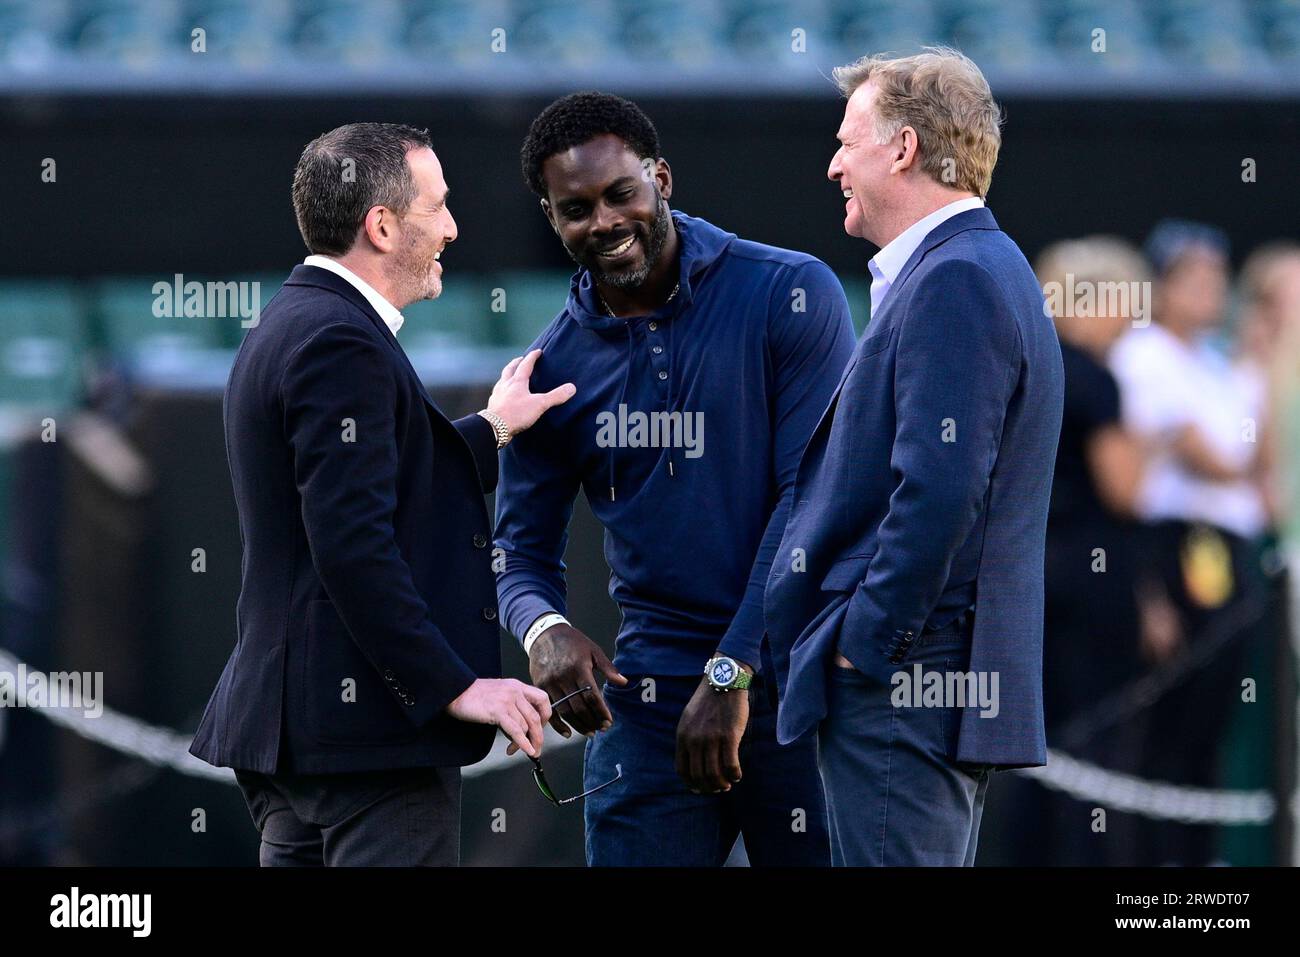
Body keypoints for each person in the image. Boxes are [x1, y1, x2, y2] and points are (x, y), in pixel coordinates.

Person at [189, 123, 570, 866]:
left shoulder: (291, 319)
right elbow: (352, 543)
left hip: (306, 742)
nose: (454, 229)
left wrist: (492, 427)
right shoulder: (342, 341)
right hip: (369, 745)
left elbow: (375, 480)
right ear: (383, 225)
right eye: (440, 206)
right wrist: (454, 685)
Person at [494, 92, 854, 866]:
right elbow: (516, 553)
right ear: (551, 217)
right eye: (576, 208)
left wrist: (732, 671)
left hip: (801, 685)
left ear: (661, 177)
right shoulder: (550, 369)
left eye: (621, 192)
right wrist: (541, 628)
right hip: (651, 700)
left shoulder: (791, 291)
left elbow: (811, 502)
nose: (605, 222)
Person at [764, 47, 1065, 866]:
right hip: (922, 679)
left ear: (902, 149)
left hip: (906, 681)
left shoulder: (956, 276)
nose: (832, 166)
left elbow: (939, 490)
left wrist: (869, 641)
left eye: (846, 142)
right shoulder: (970, 266)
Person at [1110, 220, 1269, 864]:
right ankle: (1157, 866)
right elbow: (1225, 461)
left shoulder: (1220, 365)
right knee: (1172, 713)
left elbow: (1250, 459)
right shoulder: (1143, 355)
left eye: (1217, 278)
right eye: (1194, 279)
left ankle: (1197, 865)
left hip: (1226, 554)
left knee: (1213, 716)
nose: (1211, 291)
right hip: (1174, 550)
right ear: (1161, 287)